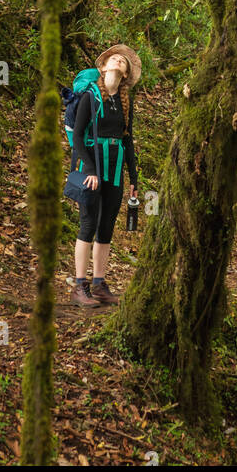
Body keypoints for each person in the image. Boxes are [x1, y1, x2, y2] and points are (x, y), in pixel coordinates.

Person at [70, 43, 140, 308]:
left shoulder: (124, 103)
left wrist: (133, 179)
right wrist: (89, 170)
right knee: (88, 224)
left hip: (115, 168)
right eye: (115, 58)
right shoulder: (90, 96)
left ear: (125, 74)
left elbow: (128, 140)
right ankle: (79, 286)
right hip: (91, 167)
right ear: (103, 67)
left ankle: (99, 284)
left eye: (124, 61)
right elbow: (77, 136)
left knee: (106, 227)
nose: (119, 60)